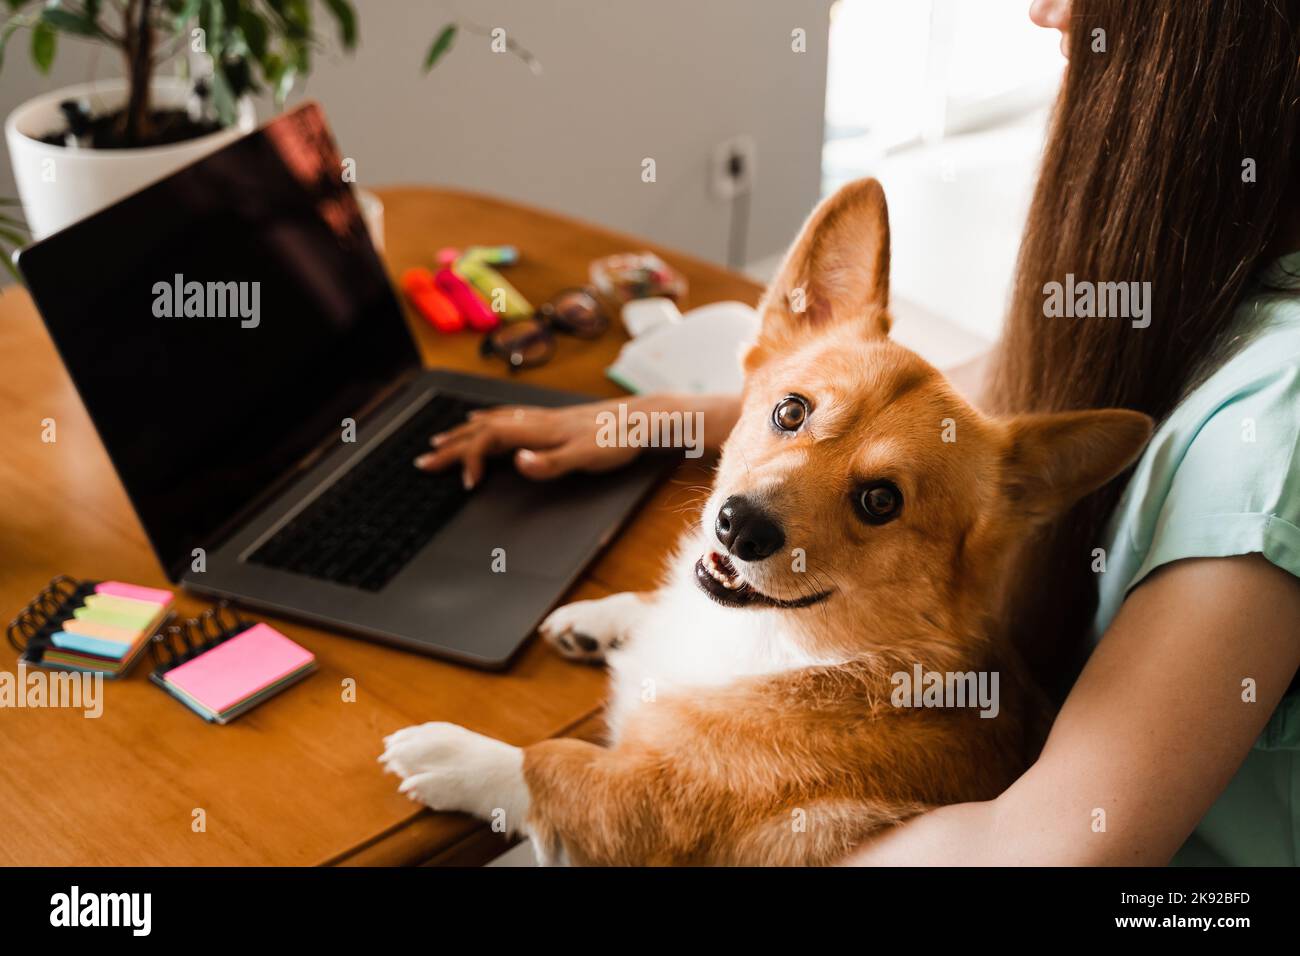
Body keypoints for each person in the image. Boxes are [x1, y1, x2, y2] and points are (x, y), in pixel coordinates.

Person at [414, 0, 1300, 865]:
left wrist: (692, 825)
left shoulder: (1278, 426)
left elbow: (1046, 850)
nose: (1048, 11)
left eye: (877, 501)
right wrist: (653, 417)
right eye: (793, 422)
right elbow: (943, 414)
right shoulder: (1196, 283)